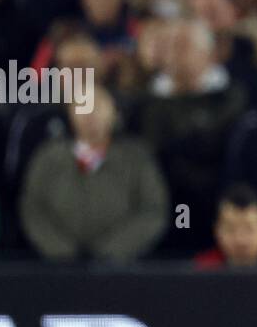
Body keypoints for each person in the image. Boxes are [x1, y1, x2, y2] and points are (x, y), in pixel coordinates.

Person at [20, 86, 168, 261]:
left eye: (97, 106)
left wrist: (112, 251)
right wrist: (61, 252)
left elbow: (152, 209)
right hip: (58, 270)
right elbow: (32, 208)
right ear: (70, 113)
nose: (90, 114)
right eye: (82, 106)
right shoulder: (48, 157)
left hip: (123, 269)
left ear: (113, 112)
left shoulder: (137, 158)